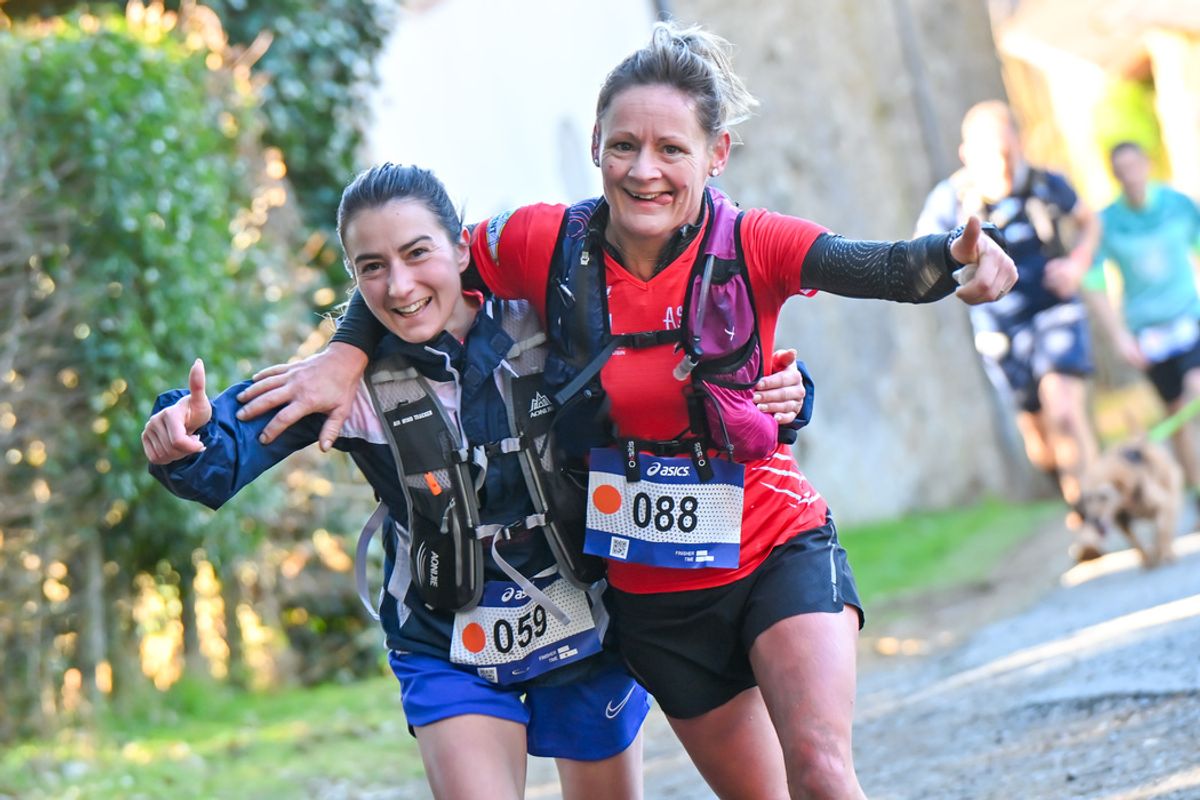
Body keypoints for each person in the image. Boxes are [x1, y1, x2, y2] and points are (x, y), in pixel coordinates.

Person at [236, 23, 1016, 799]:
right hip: (653, 597)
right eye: (623, 147)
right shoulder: (546, 240)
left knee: (819, 771)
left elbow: (879, 265)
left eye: (672, 149)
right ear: (596, 149)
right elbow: (419, 260)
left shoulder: (754, 243)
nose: (645, 171)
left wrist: (957, 258)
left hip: (774, 542)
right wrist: (342, 354)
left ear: (717, 156)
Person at [143, 164, 656, 800]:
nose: (401, 285)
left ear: (463, 247)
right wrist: (184, 443)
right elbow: (225, 447)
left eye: (418, 253)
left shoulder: (549, 322)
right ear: (355, 281)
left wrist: (777, 388)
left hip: (585, 619)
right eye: (372, 267)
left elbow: (663, 330)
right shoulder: (343, 382)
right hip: (444, 635)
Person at [916, 99, 1101, 554]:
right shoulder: (953, 199)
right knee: (1040, 442)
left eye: (1007, 151)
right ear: (966, 154)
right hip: (1001, 330)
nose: (1002, 162)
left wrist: (1076, 266)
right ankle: (1074, 495)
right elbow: (918, 252)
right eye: (991, 154)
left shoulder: (1044, 184)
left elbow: (1088, 221)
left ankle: (1094, 521)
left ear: (1018, 144)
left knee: (1064, 412)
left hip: (1054, 310)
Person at [1084, 141, 1200, 494]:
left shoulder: (1178, 205)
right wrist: (1119, 336)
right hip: (1147, 333)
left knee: (1196, 390)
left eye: (1135, 165)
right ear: (1115, 175)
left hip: (1188, 318)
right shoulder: (1107, 222)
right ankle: (1195, 491)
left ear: (1147, 164)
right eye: (1122, 170)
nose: (1130, 175)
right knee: (1175, 412)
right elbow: (1093, 280)